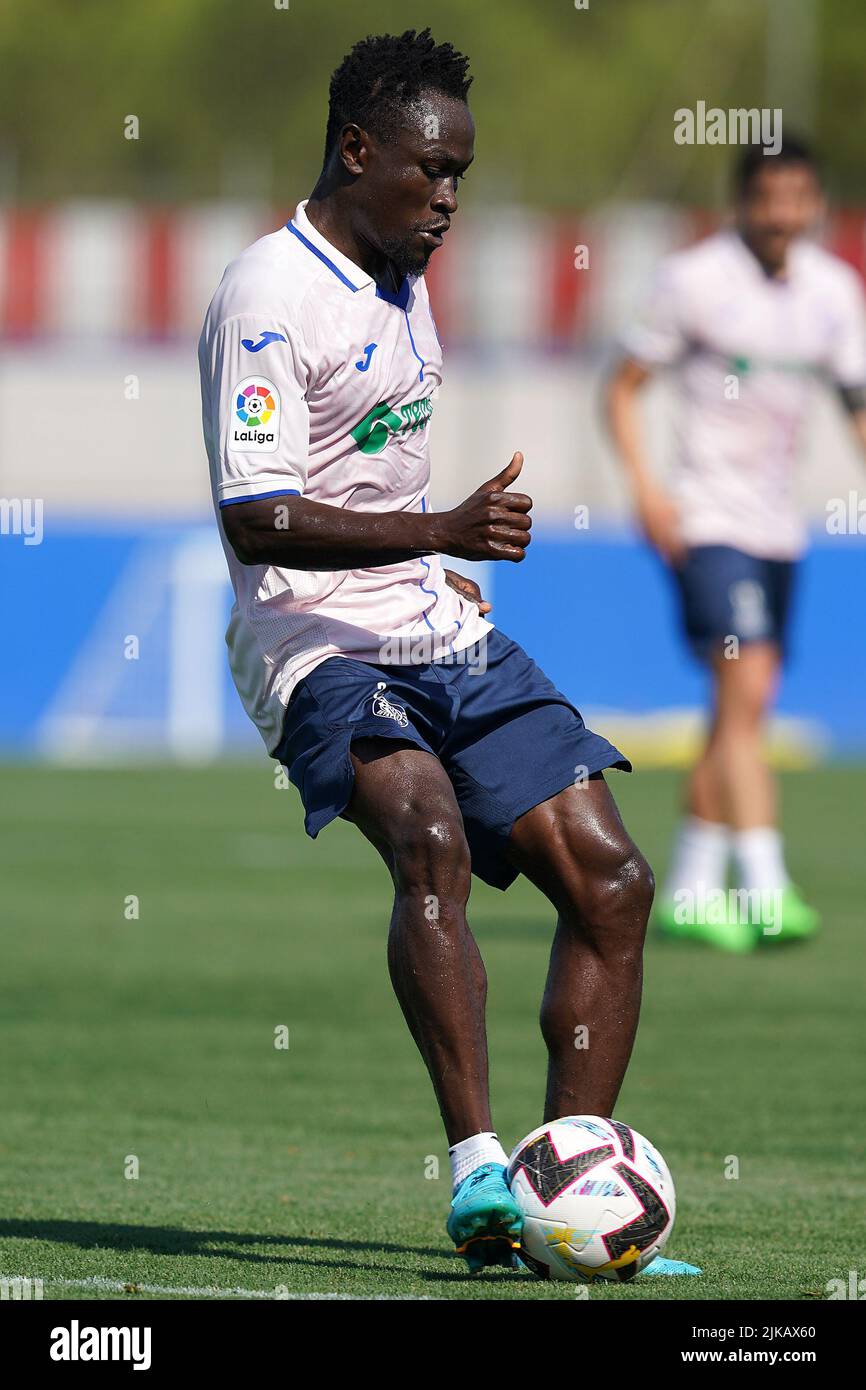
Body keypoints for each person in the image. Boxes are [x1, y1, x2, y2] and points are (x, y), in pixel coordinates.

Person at [199, 28, 695, 1278]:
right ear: (356, 150)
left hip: (433, 619)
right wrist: (435, 528)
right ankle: (481, 1170)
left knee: (614, 883)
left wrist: (433, 558)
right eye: (432, 172)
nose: (450, 202)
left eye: (463, 175)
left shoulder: (400, 269)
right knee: (424, 835)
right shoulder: (268, 293)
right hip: (309, 641)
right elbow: (255, 513)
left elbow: (362, 459)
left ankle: (570, 1186)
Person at [607, 137, 866, 953]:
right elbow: (620, 388)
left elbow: (856, 400)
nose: (784, 213)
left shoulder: (833, 291)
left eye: (799, 197)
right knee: (747, 683)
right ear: (743, 200)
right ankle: (763, 887)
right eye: (769, 197)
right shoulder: (695, 281)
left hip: (778, 528)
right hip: (706, 517)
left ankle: (687, 887)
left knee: (740, 707)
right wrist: (647, 491)